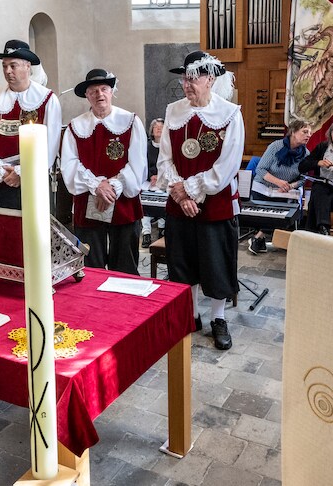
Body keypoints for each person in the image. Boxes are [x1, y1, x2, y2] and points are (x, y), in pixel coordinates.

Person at [157, 51, 245, 350]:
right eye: (184, 78)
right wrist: (180, 194)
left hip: (214, 204)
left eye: (193, 78)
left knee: (215, 263)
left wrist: (191, 192)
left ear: (210, 79)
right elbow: (165, 158)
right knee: (182, 261)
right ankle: (190, 315)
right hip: (180, 203)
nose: (187, 84)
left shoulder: (231, 113)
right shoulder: (173, 111)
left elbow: (227, 167)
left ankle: (218, 318)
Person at [60, 68, 147, 274]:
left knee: (125, 266)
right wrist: (97, 186)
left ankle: (125, 306)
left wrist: (113, 187)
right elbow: (69, 164)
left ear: (111, 92)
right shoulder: (75, 126)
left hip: (124, 204)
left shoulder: (131, 121)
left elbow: (138, 164)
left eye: (104, 89)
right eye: (93, 91)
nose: (99, 94)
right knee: (91, 269)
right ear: (87, 96)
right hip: (87, 207)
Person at [0, 39, 61, 209]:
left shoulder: (47, 99)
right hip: (3, 178)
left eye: (13, 65)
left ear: (28, 66)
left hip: (34, 179)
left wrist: (23, 172)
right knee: (4, 231)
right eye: (4, 66)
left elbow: (50, 145)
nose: (8, 71)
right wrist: (2, 169)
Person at [248, 119, 312, 254]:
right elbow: (260, 170)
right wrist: (279, 182)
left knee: (284, 213)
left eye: (310, 133)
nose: (309, 135)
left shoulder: (306, 154)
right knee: (270, 212)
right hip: (264, 186)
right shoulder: (275, 146)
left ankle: (258, 237)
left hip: (285, 191)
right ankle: (260, 237)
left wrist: (290, 186)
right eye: (305, 132)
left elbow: (303, 178)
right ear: (293, 132)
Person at [141, 118, 165, 248]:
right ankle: (146, 232)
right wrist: (151, 177)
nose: (159, 129)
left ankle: (162, 228)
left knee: (163, 196)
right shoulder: (147, 146)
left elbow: (168, 164)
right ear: (152, 131)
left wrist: (160, 177)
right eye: (156, 127)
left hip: (164, 180)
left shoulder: (168, 146)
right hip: (149, 180)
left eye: (161, 127)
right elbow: (144, 165)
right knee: (145, 198)